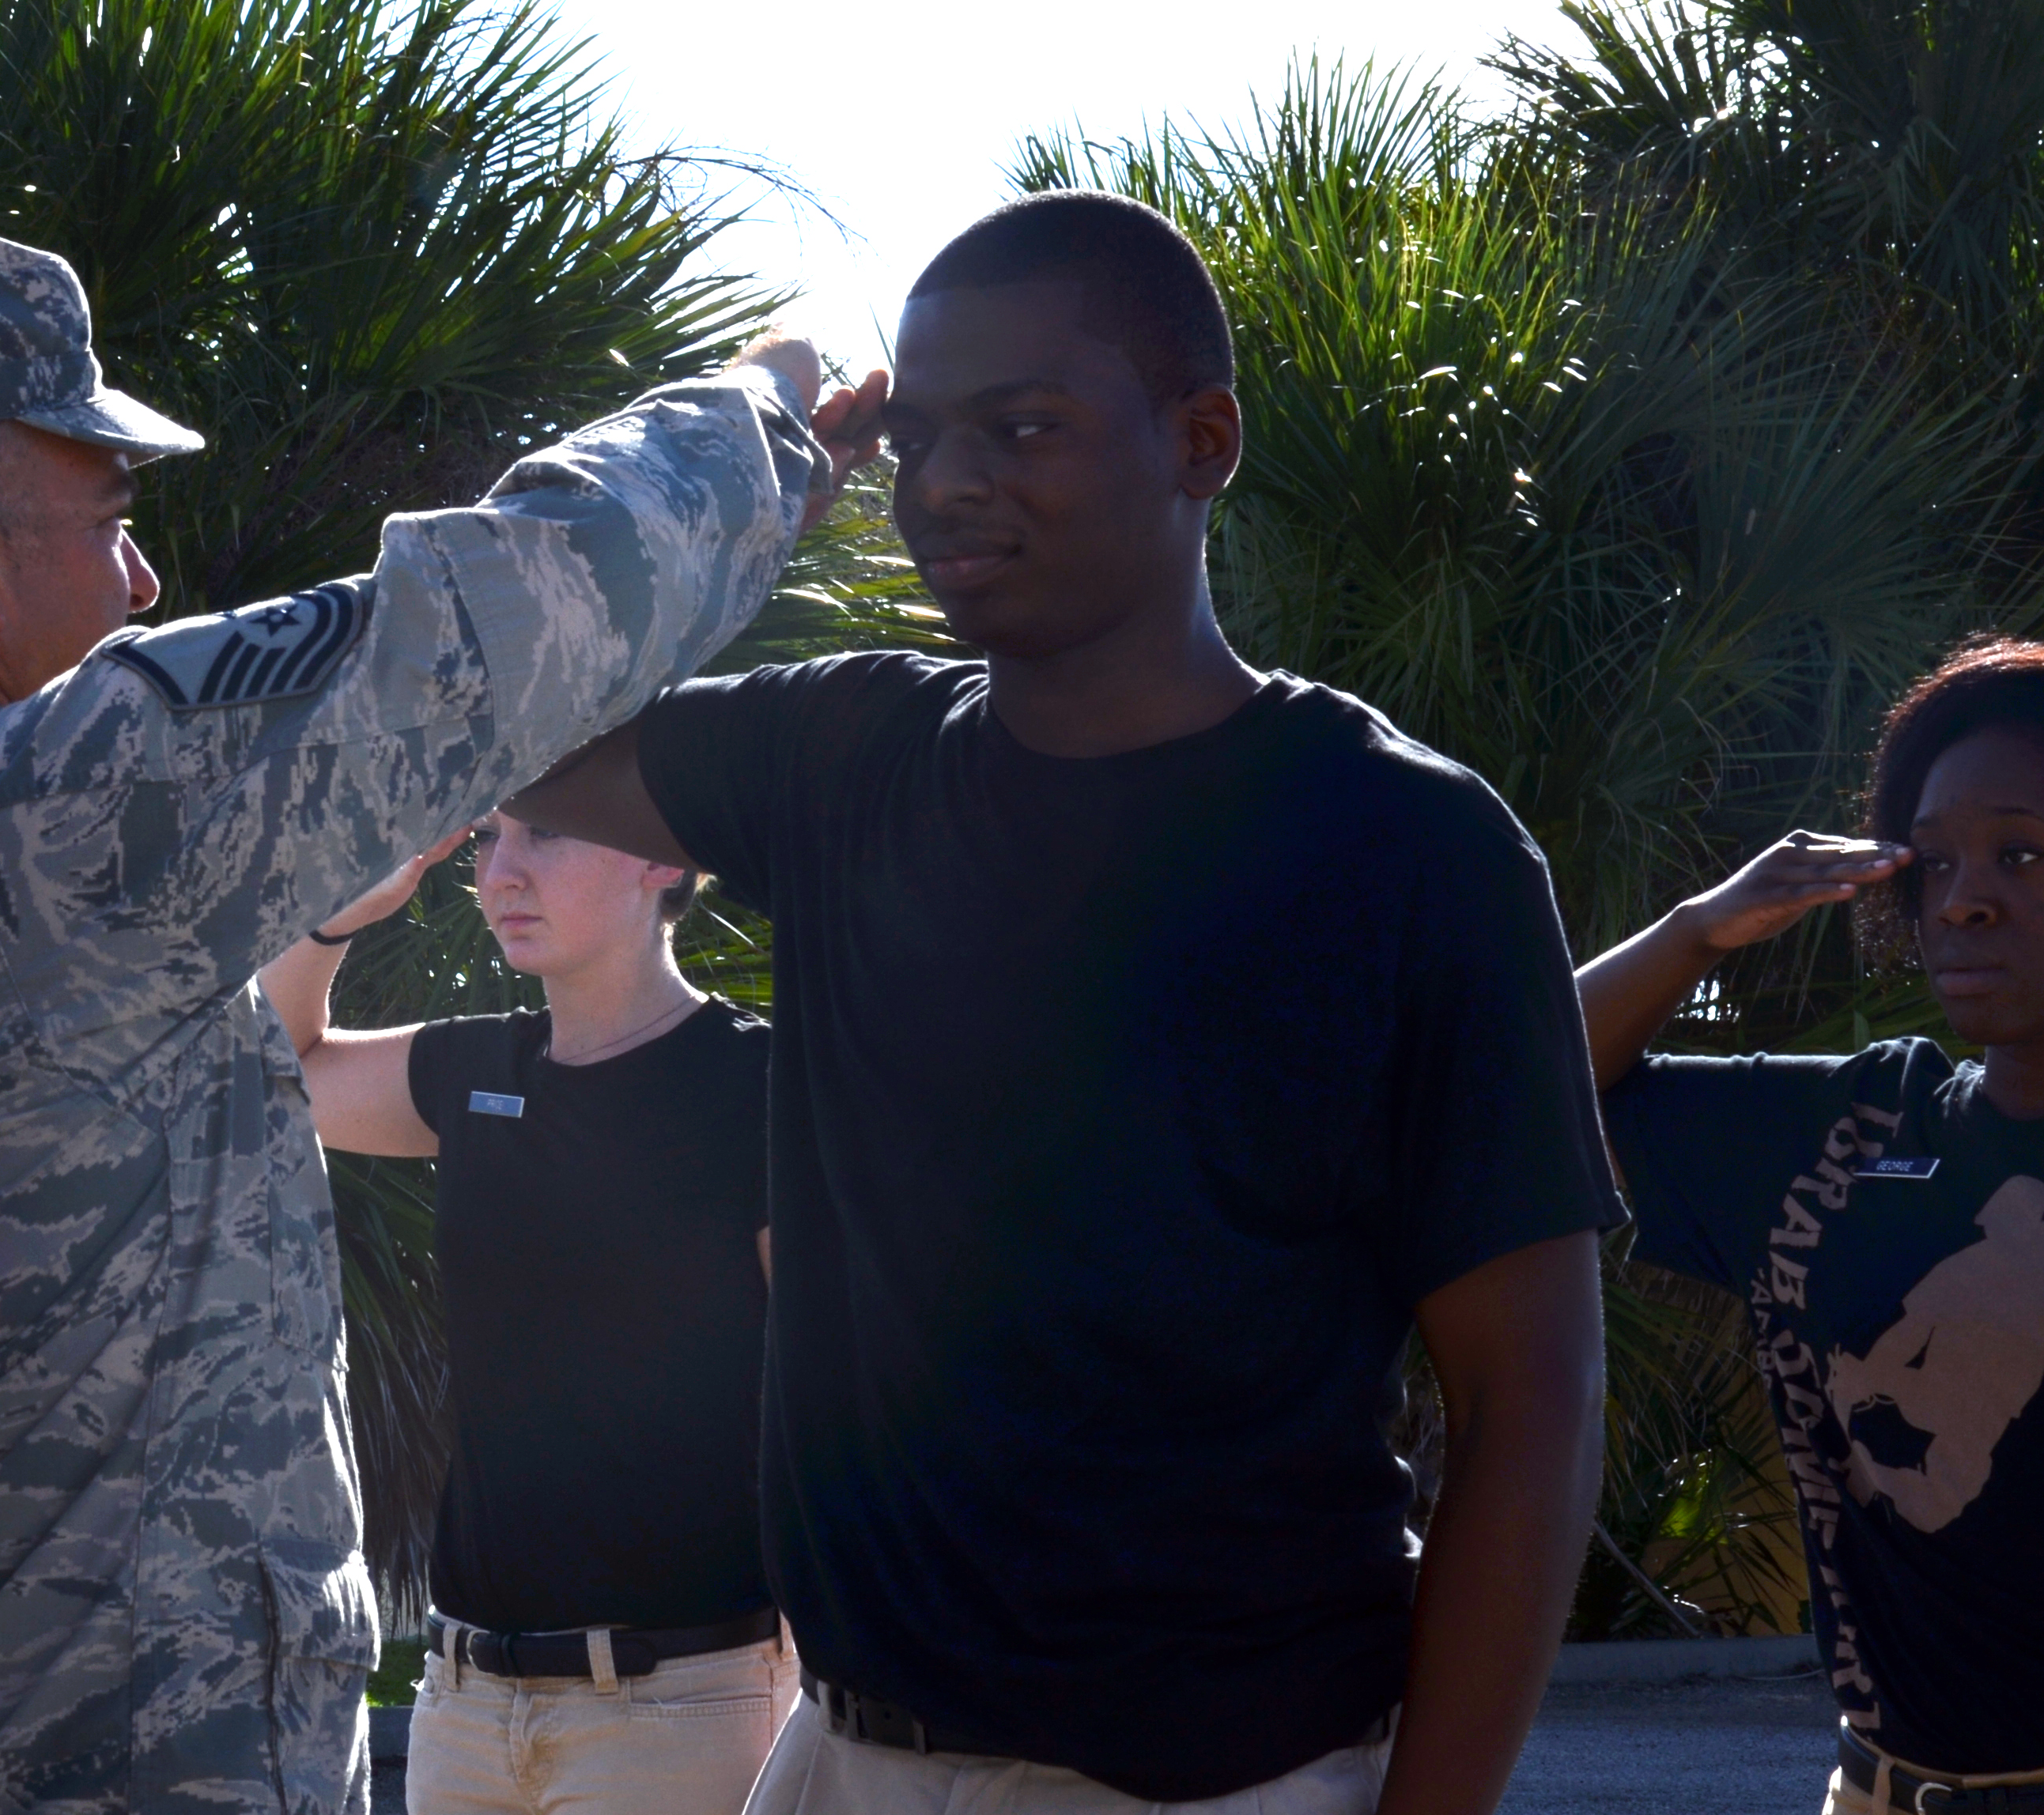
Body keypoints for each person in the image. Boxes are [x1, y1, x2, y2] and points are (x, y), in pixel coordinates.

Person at [0, 235, 877, 1814]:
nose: (139, 585)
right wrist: (762, 407)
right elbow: (497, 610)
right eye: (110, 524)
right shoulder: (39, 817)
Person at [507, 190, 1624, 1815]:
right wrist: (734, 452)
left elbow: (1530, 1398)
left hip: (1213, 1779)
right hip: (839, 1756)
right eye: (916, 436)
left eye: (1020, 423)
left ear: (1200, 439)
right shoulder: (840, 757)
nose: (947, 481)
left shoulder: (1404, 845)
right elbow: (479, 724)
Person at [1575, 637, 2044, 1811]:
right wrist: (1696, 930)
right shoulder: (1847, 1128)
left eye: (2022, 853)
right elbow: (1523, 1086)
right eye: (1936, 862)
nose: (1962, 898)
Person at [255, 813, 784, 1815]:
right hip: (466, 1708)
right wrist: (336, 923)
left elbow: (840, 1396)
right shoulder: (477, 1069)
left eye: (546, 835)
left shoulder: (759, 1084)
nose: (501, 873)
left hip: (686, 1710)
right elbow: (272, 1070)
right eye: (492, 837)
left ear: (661, 860)